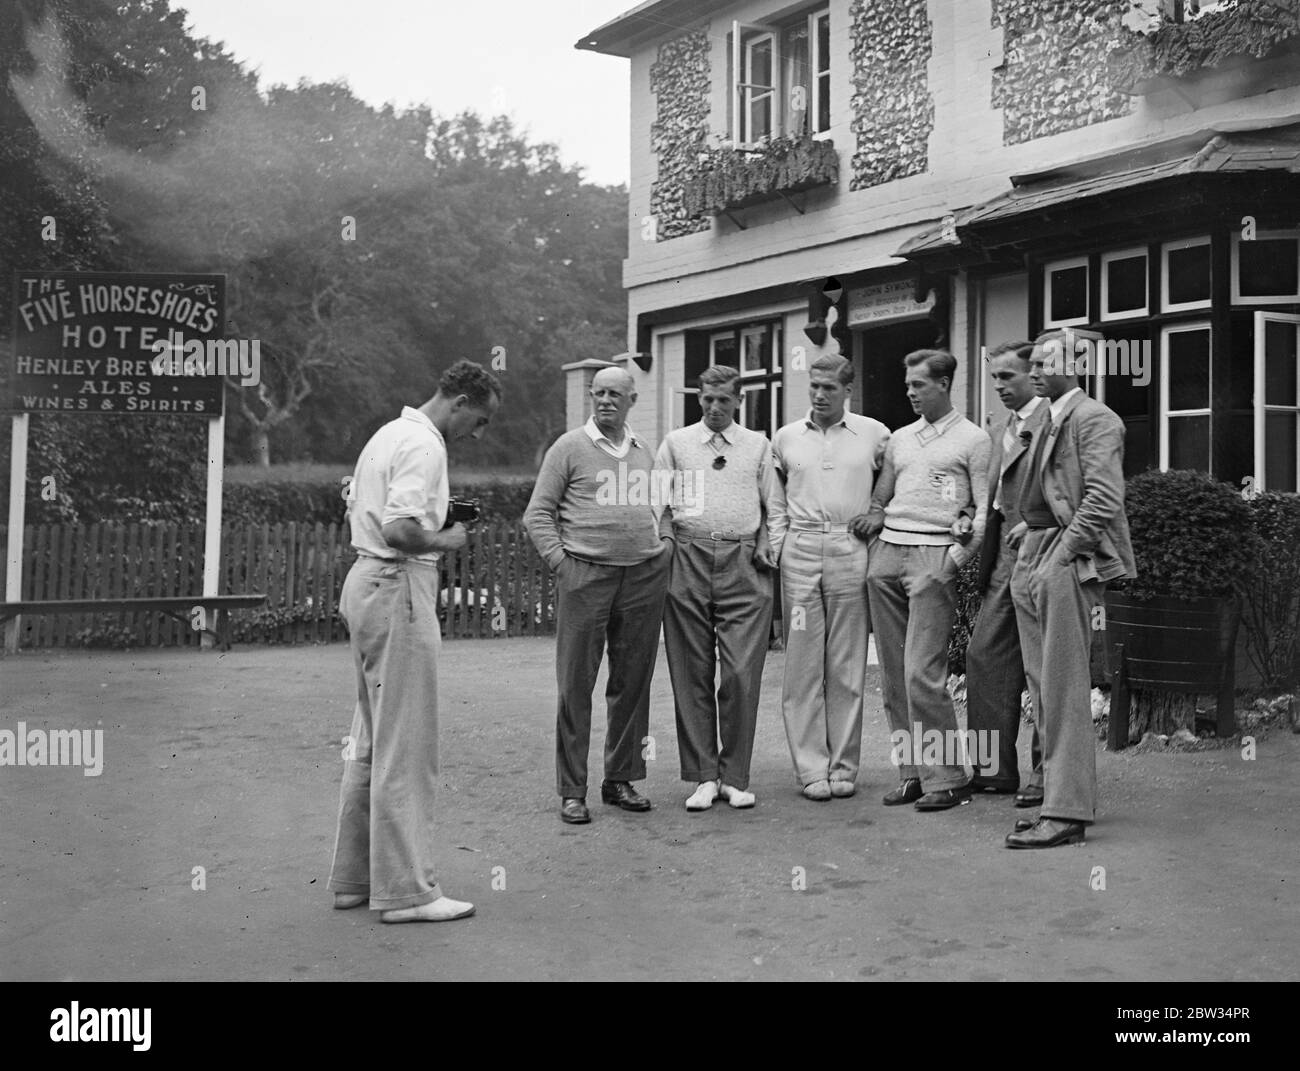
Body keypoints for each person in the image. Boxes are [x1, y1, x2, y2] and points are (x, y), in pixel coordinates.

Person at [327, 360, 501, 923]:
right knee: (407, 744)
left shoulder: (389, 433)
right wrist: (446, 536)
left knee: (372, 739)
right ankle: (408, 893)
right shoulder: (427, 446)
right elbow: (400, 529)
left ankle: (355, 878)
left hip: (366, 584)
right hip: (398, 584)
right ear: (459, 401)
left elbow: (368, 503)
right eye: (479, 420)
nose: (478, 433)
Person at [524, 365, 673, 825]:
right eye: (599, 393)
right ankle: (573, 791)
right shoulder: (569, 448)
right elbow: (537, 515)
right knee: (576, 685)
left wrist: (663, 546)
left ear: (632, 400)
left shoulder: (647, 450)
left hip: (642, 579)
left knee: (632, 682)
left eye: (615, 394)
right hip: (585, 577)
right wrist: (562, 564)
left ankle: (620, 779)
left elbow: (664, 506)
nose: (606, 400)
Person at [1004, 329, 1135, 848]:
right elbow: (1052, 492)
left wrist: (1059, 550)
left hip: (1066, 561)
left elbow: (1103, 499)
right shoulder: (1048, 417)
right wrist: (1029, 530)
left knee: (1062, 688)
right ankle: (1063, 801)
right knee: (1044, 687)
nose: (1033, 370)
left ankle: (1065, 814)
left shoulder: (1095, 418)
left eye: (1044, 363)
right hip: (1038, 552)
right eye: (1030, 363)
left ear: (1077, 364)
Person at [864, 349, 991, 812]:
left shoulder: (974, 440)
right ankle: (912, 774)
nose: (910, 392)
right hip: (887, 558)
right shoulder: (900, 438)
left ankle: (949, 778)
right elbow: (882, 498)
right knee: (894, 676)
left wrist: (952, 561)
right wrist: (875, 531)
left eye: (918, 384)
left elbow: (980, 513)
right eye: (908, 384)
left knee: (922, 671)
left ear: (944, 384)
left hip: (933, 559)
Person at [768, 354, 890, 801]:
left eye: (829, 389)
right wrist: (779, 546)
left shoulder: (874, 434)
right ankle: (810, 768)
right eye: (814, 387)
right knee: (801, 663)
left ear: (847, 390)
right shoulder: (786, 438)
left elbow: (896, 479)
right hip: (799, 548)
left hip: (849, 547)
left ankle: (843, 765)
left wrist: (878, 513)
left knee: (846, 663)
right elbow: (775, 500)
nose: (820, 395)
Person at [656, 365, 777, 811]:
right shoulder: (677, 444)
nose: (713, 407)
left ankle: (735, 776)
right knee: (691, 670)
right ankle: (704, 776)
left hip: (743, 562)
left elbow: (774, 507)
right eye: (706, 398)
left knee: (741, 673)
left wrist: (767, 545)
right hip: (687, 556)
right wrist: (668, 546)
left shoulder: (757, 446)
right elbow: (659, 503)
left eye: (723, 399)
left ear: (738, 401)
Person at [966, 341, 1046, 801]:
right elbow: (991, 495)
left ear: (1033, 375)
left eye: (1007, 377)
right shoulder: (1000, 425)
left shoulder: (1053, 421)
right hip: (1002, 558)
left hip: (1039, 552)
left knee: (1042, 668)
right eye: (994, 377)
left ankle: (1045, 774)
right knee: (985, 655)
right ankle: (994, 769)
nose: (999, 386)